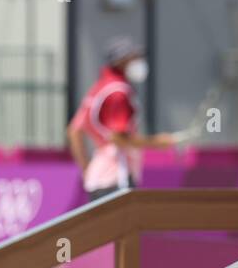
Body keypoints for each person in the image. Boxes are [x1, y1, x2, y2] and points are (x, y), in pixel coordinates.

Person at [67, 38, 177, 203]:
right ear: (121, 61)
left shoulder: (99, 88)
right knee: (124, 228)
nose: (139, 61)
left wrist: (87, 170)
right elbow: (118, 138)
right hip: (117, 177)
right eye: (134, 57)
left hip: (98, 178)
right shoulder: (118, 92)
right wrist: (157, 142)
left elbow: (73, 131)